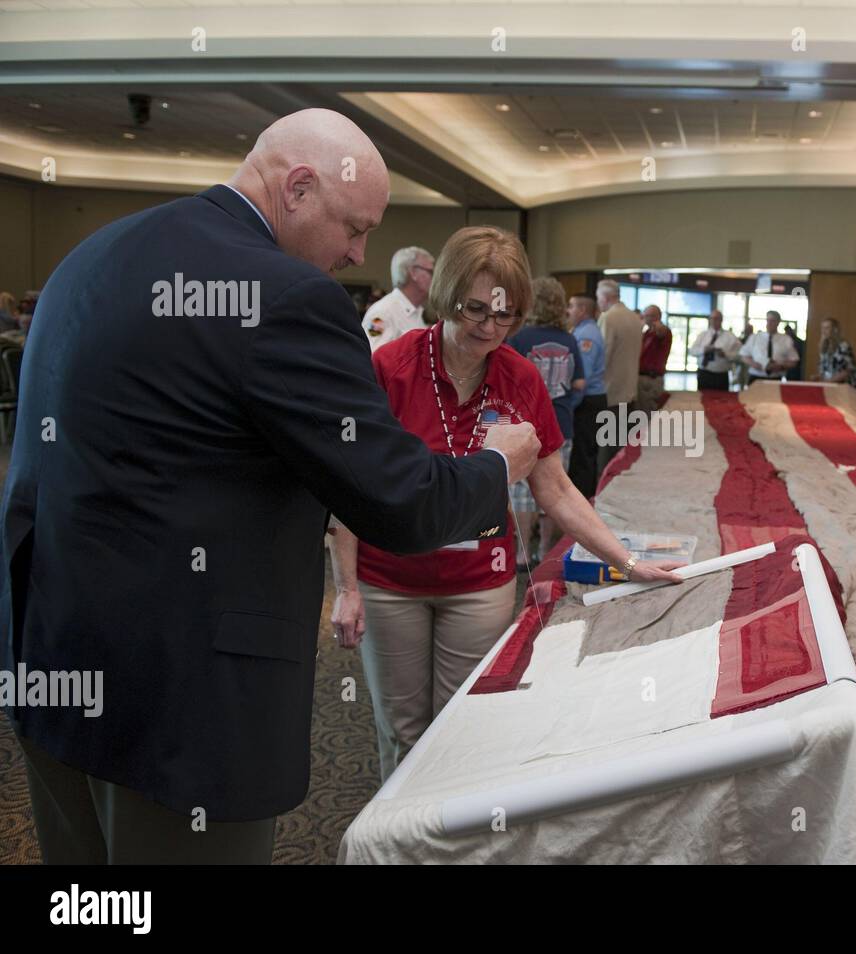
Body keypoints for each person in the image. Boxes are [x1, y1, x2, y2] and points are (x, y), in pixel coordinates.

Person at [0, 109, 541, 865]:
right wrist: (497, 464)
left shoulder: (94, 254)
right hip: (182, 704)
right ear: (298, 189)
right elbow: (402, 501)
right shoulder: (283, 296)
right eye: (354, 227)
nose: (358, 253)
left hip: (53, 660)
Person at [327, 227, 682, 782]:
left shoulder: (520, 378)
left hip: (479, 582)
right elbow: (349, 486)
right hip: (390, 579)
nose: (490, 329)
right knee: (401, 729)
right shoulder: (390, 369)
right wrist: (346, 587)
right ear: (444, 295)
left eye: (505, 316)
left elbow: (558, 490)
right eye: (475, 311)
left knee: (461, 727)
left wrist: (628, 561)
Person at [508, 276, 586, 563]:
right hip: (561, 423)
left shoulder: (519, 338)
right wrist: (565, 403)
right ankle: (545, 552)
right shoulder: (570, 340)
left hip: (524, 425)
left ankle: (522, 553)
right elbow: (579, 383)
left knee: (520, 491)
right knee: (554, 490)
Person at [596, 278, 641, 477]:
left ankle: (601, 486)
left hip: (610, 392)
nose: (598, 303)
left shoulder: (609, 318)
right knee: (620, 446)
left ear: (605, 298)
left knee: (605, 448)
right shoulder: (634, 317)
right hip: (629, 390)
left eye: (598, 298)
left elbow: (602, 356)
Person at [566, 295, 607, 499]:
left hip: (587, 401)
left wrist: (570, 405)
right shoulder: (586, 331)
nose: (568, 310)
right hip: (593, 400)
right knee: (587, 454)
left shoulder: (586, 336)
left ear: (582, 310)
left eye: (572, 306)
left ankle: (581, 500)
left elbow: (583, 376)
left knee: (582, 455)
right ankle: (587, 498)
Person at [362, 246, 433, 350]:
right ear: (413, 273)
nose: (434, 278)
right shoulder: (383, 312)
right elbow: (374, 360)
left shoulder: (416, 312)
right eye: (430, 272)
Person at [739, 310, 800, 383]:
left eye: (772, 321)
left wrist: (781, 366)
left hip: (776, 378)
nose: (769, 323)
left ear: (778, 322)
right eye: (768, 320)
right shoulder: (754, 337)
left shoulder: (786, 339)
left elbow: (794, 360)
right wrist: (755, 365)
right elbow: (744, 356)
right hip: (756, 376)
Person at [689, 309, 739, 391]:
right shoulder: (703, 335)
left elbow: (739, 355)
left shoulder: (730, 337)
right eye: (711, 318)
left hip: (721, 376)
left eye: (716, 318)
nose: (713, 321)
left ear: (721, 320)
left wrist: (725, 354)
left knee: (721, 400)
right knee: (702, 399)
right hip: (704, 373)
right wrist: (703, 350)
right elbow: (692, 351)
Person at [636, 304, 672, 411]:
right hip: (641, 378)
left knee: (648, 412)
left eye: (651, 316)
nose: (647, 318)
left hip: (651, 379)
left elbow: (662, 331)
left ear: (658, 317)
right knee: (639, 411)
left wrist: (659, 326)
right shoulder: (647, 332)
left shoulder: (662, 331)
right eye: (646, 315)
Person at [818, 317, 856, 388]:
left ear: (835, 330)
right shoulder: (824, 347)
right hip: (832, 385)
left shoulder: (843, 346)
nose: (824, 331)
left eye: (827, 328)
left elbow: (847, 371)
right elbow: (825, 369)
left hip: (848, 386)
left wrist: (828, 382)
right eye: (822, 328)